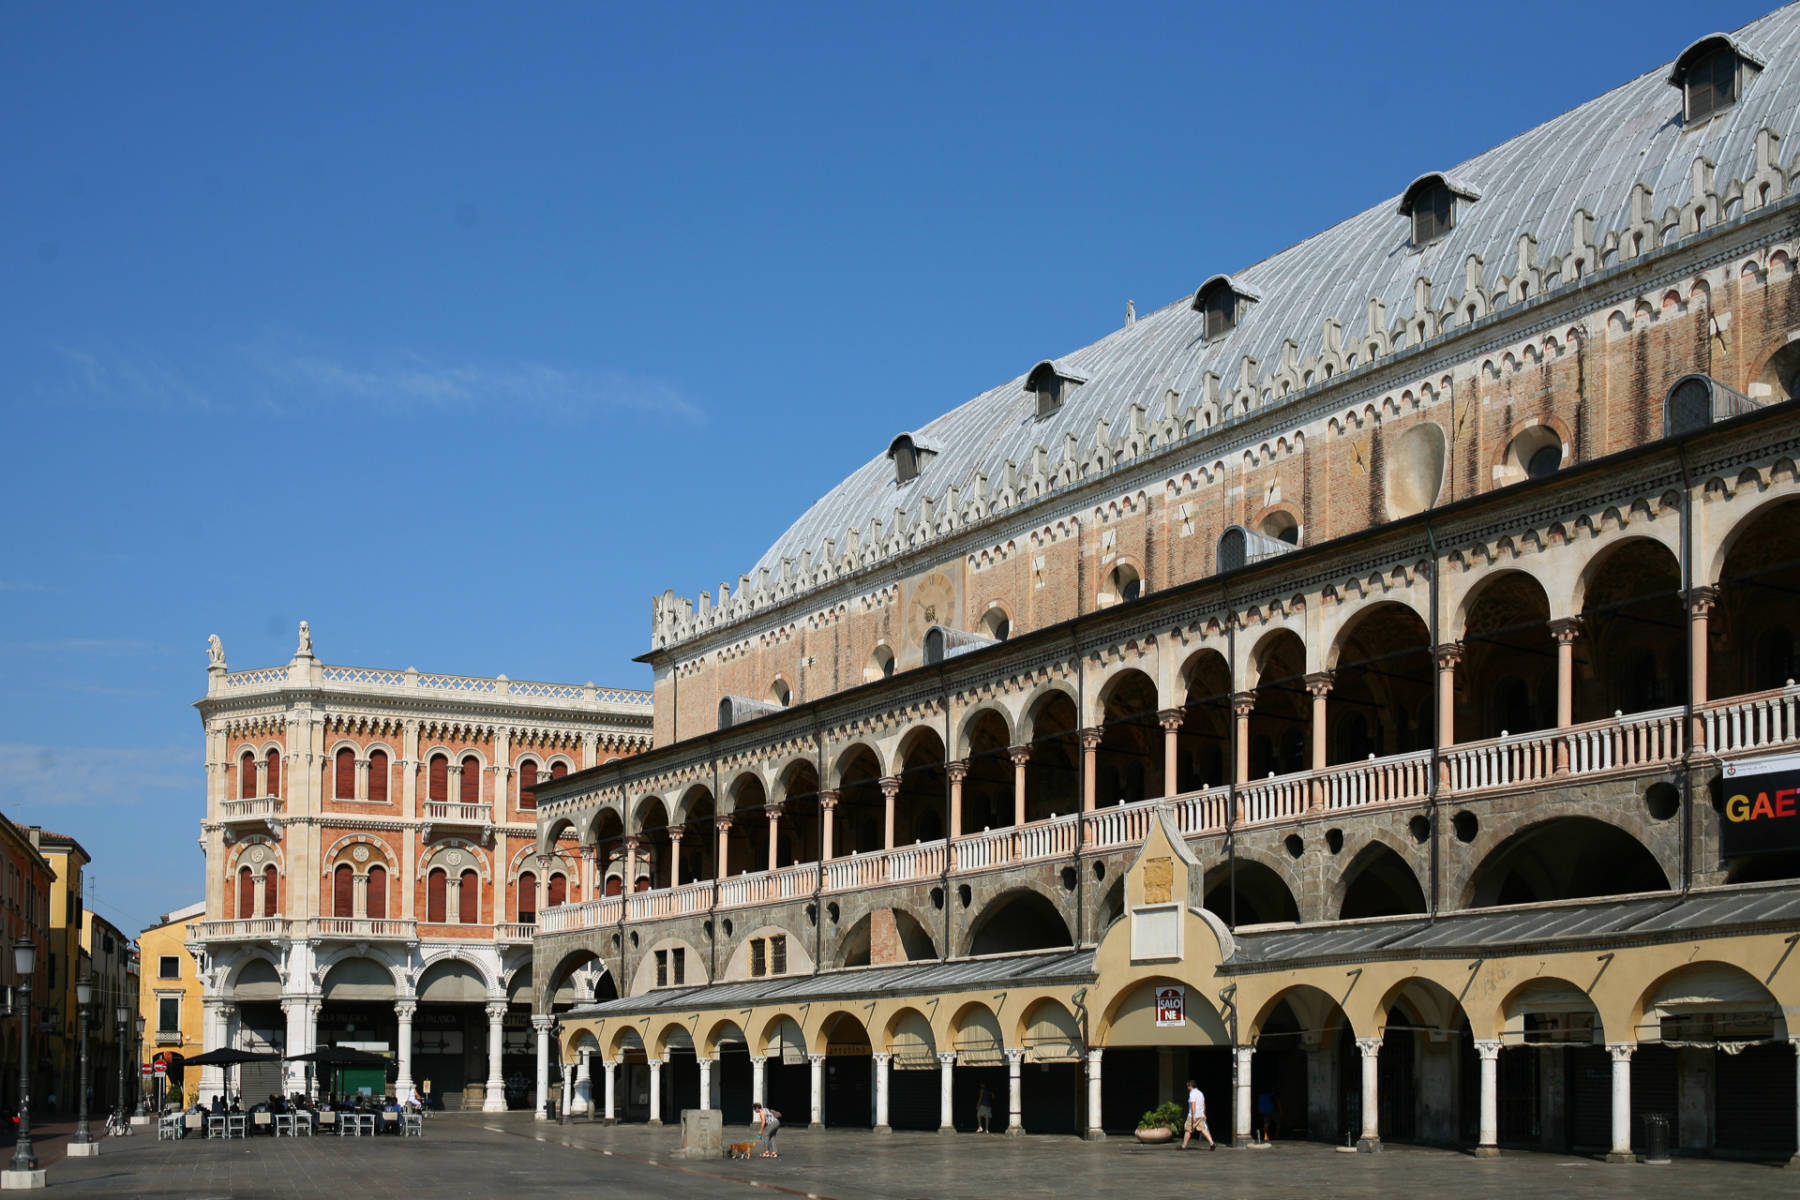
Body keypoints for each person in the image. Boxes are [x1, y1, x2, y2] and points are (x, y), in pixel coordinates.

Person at [1180, 1079, 1215, 1151]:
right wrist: (1204, 1114)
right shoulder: (1200, 1093)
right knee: (1203, 1129)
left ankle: (1183, 1146)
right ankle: (1212, 1143)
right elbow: (1204, 1104)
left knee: (1188, 1130)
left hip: (1193, 1115)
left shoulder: (1192, 1093)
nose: (1187, 1088)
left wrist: (1193, 1116)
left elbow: (1193, 1105)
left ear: (1190, 1086)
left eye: (1188, 1086)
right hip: (1201, 1114)